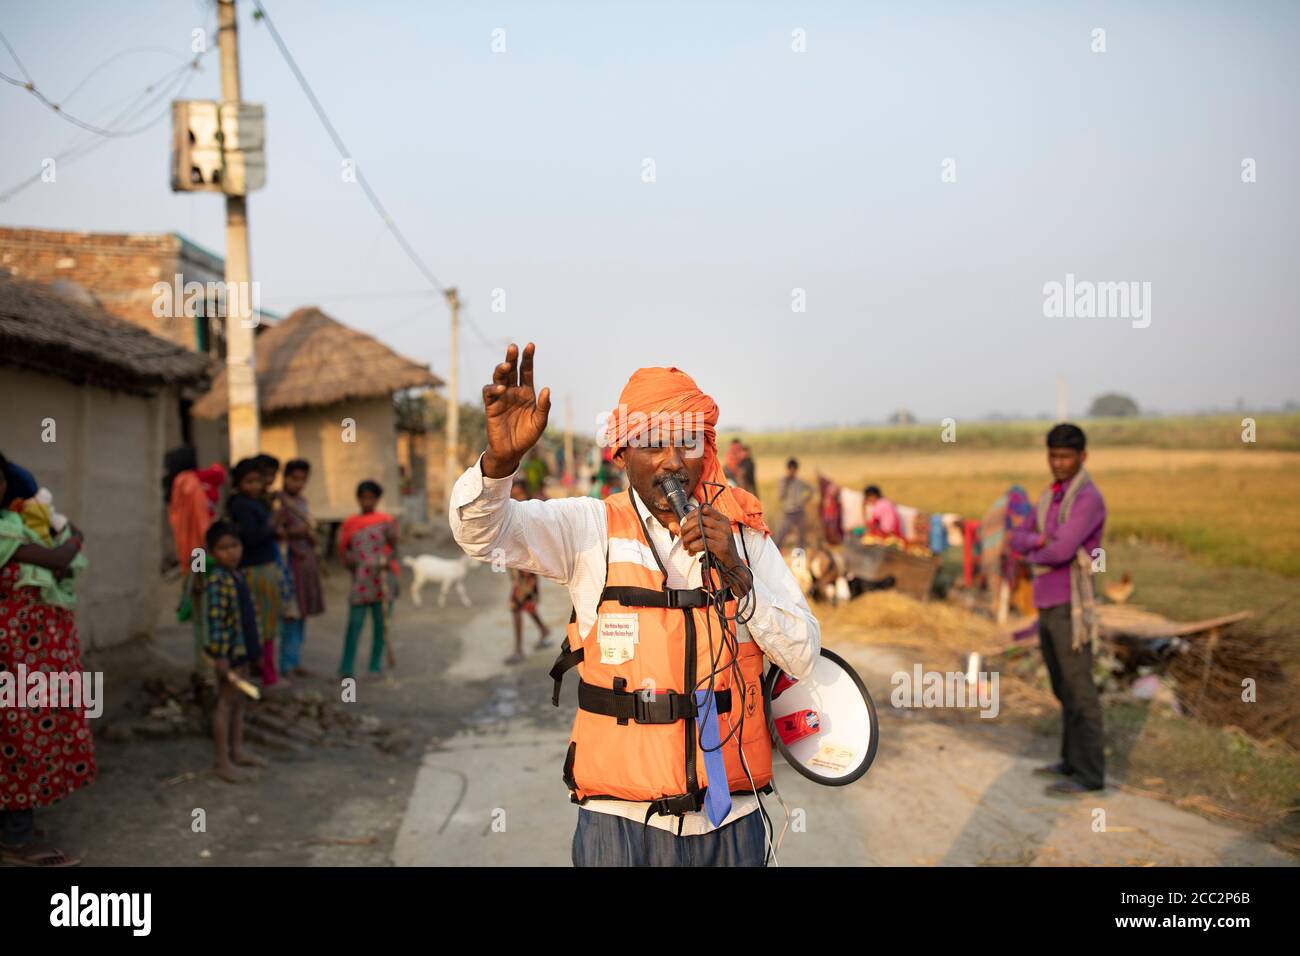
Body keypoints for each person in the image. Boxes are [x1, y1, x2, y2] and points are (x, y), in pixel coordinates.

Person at [450, 344, 820, 867]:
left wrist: (736, 571)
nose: (674, 462)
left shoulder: (745, 539)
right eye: (653, 444)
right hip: (619, 826)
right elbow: (480, 535)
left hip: (732, 820)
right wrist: (500, 464)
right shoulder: (588, 529)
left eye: (687, 443)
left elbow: (804, 657)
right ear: (622, 454)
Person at [0, 452, 95, 867]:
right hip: (12, 653)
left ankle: (13, 826)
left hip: (32, 652)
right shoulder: (6, 534)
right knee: (18, 738)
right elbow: (57, 560)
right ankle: (17, 839)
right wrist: (74, 537)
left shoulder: (16, 524)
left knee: (23, 734)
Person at [1009, 423, 1107, 795]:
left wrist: (1035, 548)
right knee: (1063, 687)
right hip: (1046, 602)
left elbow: (1062, 550)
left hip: (1072, 605)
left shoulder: (1088, 499)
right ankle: (1070, 761)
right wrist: (1038, 540)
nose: (1059, 463)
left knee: (1080, 689)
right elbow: (1017, 537)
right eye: (1053, 455)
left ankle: (1090, 775)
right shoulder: (1049, 497)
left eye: (1066, 456)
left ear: (1082, 457)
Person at [202, 521, 267, 783]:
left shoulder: (238, 575)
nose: (231, 552)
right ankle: (222, 761)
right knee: (225, 703)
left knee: (240, 701)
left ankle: (238, 750)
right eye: (223, 548)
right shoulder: (217, 580)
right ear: (213, 552)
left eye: (235, 545)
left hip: (243, 649)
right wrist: (220, 656)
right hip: (228, 651)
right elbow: (216, 621)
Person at [225, 459, 284, 686]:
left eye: (258, 481)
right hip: (255, 569)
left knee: (266, 623)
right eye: (248, 481)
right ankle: (265, 673)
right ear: (239, 483)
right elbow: (251, 538)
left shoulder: (255, 503)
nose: (255, 486)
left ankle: (264, 671)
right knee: (261, 623)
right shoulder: (241, 505)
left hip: (264, 566)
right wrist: (272, 524)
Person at [165, 446, 217, 679]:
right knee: (204, 609)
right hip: (199, 554)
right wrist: (212, 549)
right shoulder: (192, 485)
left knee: (197, 609)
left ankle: (202, 664)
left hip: (186, 554)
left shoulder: (176, 485)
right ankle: (206, 667)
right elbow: (202, 523)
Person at [338, 480, 398, 680]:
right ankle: (346, 668)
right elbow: (343, 552)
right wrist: (354, 565)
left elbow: (394, 546)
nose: (367, 502)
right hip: (361, 582)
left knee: (381, 627)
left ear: (377, 499)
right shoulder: (350, 524)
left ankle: (374, 667)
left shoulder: (387, 521)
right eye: (363, 498)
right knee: (354, 625)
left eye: (371, 498)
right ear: (358, 499)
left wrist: (385, 560)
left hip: (382, 581)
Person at [277, 459, 324, 678]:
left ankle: (295, 661)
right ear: (284, 478)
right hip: (289, 563)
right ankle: (286, 664)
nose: (298, 483)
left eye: (302, 480)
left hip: (305, 563)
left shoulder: (301, 502)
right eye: (294, 478)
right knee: (291, 613)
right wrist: (300, 532)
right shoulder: (279, 502)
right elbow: (276, 533)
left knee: (302, 612)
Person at [505, 481, 550, 664]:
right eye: (514, 494)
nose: (517, 498)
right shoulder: (511, 513)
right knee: (527, 605)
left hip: (528, 569)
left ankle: (518, 650)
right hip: (517, 568)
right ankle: (544, 631)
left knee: (515, 606)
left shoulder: (531, 514)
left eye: (520, 494)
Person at [773, 457, 813, 551]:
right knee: (781, 535)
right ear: (787, 469)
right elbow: (780, 496)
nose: (792, 472)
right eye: (790, 470)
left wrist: (805, 499)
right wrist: (786, 484)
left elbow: (811, 489)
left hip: (799, 511)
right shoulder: (783, 481)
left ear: (796, 470)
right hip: (789, 512)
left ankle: (799, 558)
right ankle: (774, 552)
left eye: (794, 470)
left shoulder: (799, 482)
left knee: (801, 537)